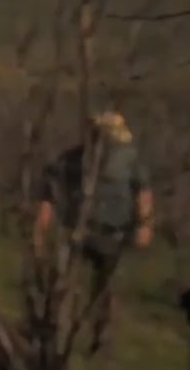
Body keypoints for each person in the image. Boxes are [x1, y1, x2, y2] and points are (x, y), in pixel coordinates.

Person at [33, 110, 153, 352]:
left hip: (114, 233)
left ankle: (102, 340)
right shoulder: (72, 159)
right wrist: (40, 230)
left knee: (106, 291)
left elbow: (143, 193)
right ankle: (57, 334)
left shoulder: (130, 159)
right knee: (65, 285)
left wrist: (145, 225)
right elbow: (49, 194)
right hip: (76, 231)